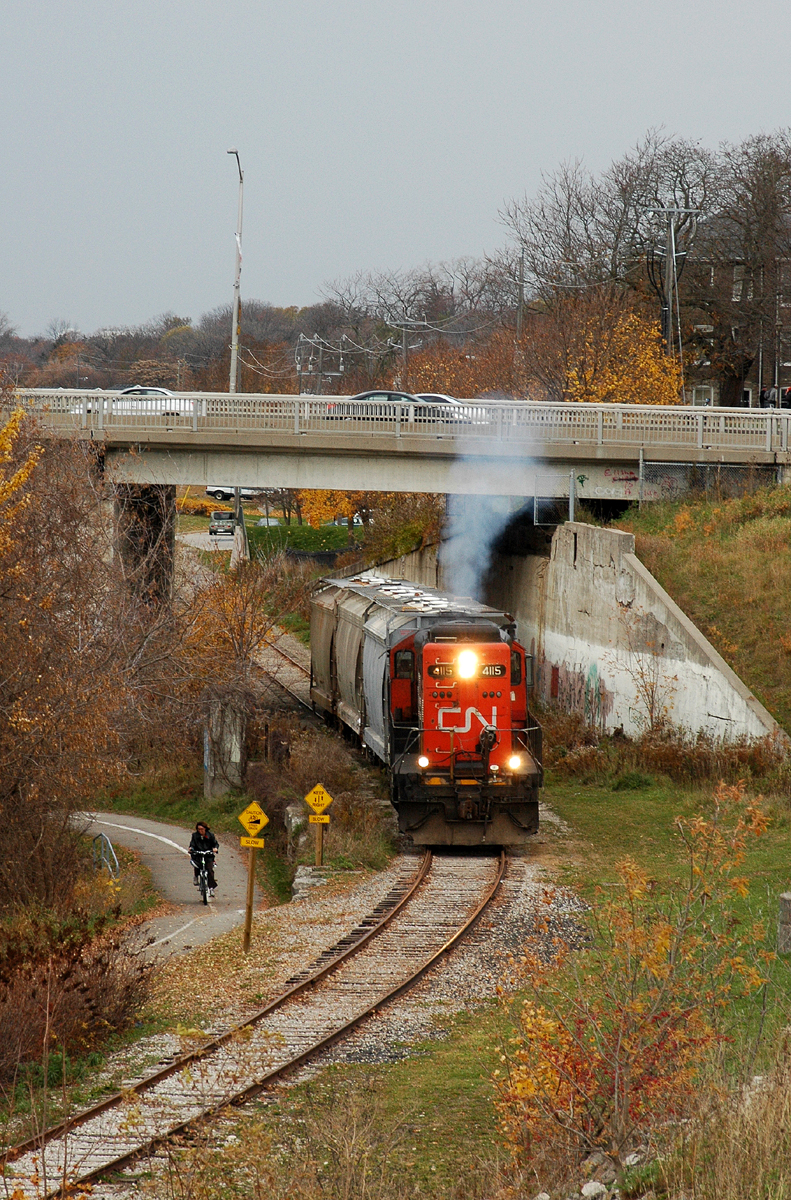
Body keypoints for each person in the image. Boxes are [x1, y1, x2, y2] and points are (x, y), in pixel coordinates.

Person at [189, 821, 219, 896]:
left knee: (210, 870)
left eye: (202, 829)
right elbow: (192, 844)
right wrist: (191, 848)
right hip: (198, 854)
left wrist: (215, 848)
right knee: (196, 864)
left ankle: (211, 887)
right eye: (199, 829)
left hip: (208, 855)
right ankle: (196, 876)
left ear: (205, 829)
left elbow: (215, 843)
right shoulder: (195, 836)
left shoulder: (210, 835)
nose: (200, 831)